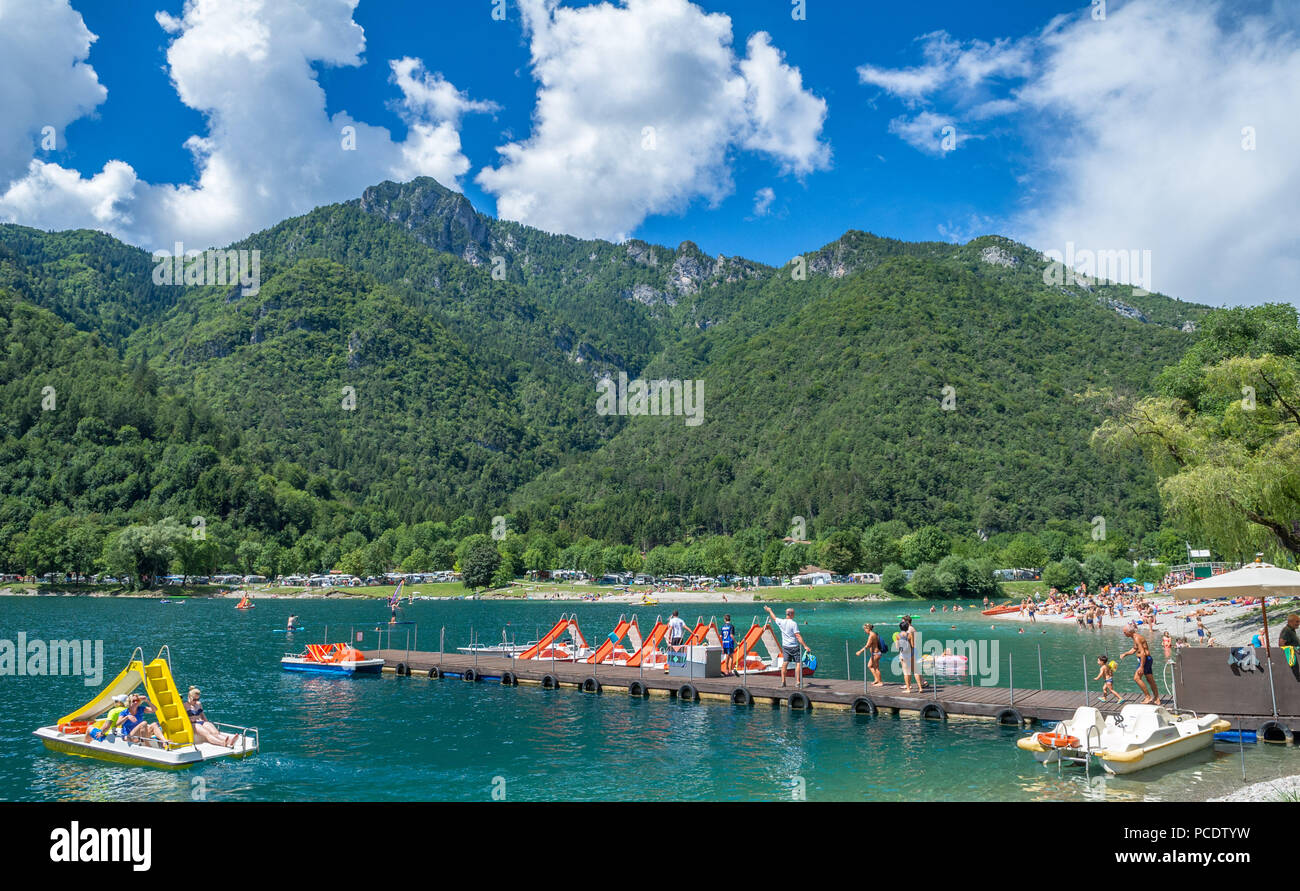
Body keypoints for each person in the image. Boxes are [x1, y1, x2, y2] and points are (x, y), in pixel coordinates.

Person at [763, 605, 812, 688]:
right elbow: (798, 636)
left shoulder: (781, 622)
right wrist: (805, 646)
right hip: (794, 646)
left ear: (786, 614)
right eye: (794, 614)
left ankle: (783, 682)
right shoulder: (793, 623)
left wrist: (769, 610)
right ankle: (797, 682)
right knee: (798, 663)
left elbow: (774, 618)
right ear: (792, 614)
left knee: (785, 663)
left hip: (785, 646)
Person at [1119, 624, 1160, 704]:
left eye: (1124, 632)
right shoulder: (1134, 637)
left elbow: (1142, 653)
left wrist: (1141, 666)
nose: (1124, 634)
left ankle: (1148, 697)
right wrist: (1125, 654)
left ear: (1129, 632)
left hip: (1145, 660)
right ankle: (1157, 698)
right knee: (1150, 679)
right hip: (1147, 660)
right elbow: (1134, 649)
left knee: (1136, 678)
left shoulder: (1137, 638)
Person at [896, 616, 925, 693]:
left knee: (906, 672)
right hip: (912, 652)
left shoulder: (897, 635)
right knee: (916, 671)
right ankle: (920, 688)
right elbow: (912, 645)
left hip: (904, 654)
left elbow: (897, 647)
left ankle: (908, 688)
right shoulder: (910, 634)